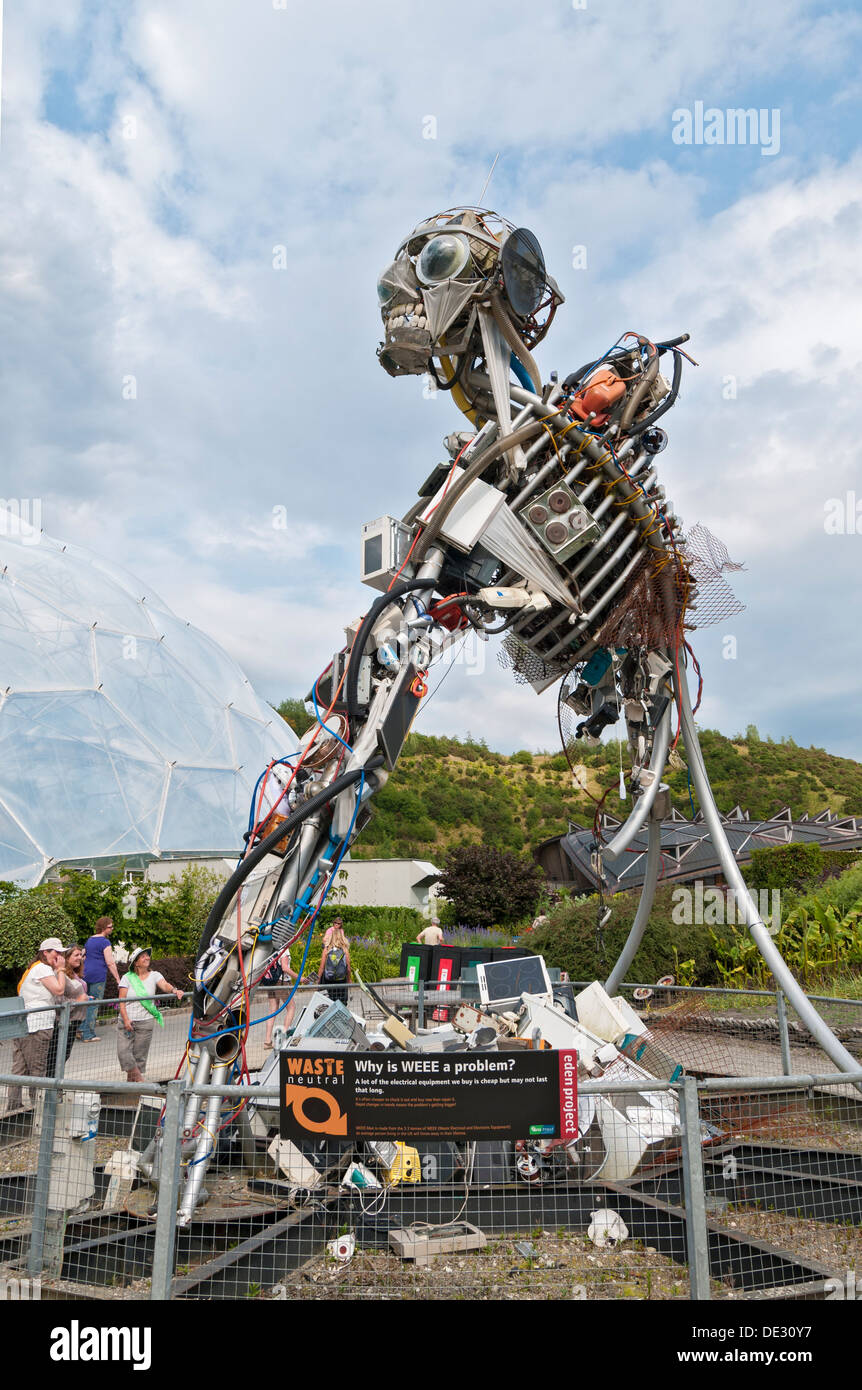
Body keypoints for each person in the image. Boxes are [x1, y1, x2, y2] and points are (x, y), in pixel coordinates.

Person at [6, 938, 69, 1111]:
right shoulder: (42, 968)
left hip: (25, 1024)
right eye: (56, 952)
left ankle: (13, 1107)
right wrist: (61, 969)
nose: (59, 955)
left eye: (61, 952)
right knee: (38, 1069)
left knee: (19, 1069)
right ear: (45, 953)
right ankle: (40, 1109)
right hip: (38, 1026)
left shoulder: (33, 968)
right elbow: (59, 990)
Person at [117, 947, 183, 1083]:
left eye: (147, 956)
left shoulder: (155, 975)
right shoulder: (127, 978)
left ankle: (132, 1090)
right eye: (143, 957)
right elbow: (121, 1002)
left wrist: (174, 990)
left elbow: (164, 985)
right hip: (127, 1021)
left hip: (145, 1022)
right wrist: (125, 1019)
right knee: (124, 1053)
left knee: (139, 1057)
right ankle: (140, 1081)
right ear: (136, 963)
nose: (147, 958)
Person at [45, 944, 91, 1075]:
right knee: (56, 1058)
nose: (80, 958)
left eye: (80, 955)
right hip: (64, 1022)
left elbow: (75, 994)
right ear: (66, 957)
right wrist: (77, 1002)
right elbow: (58, 1001)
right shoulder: (60, 975)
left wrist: (86, 998)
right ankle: (51, 1089)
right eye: (76, 955)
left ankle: (56, 1086)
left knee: (64, 1056)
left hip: (74, 1022)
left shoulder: (74, 975)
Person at [80, 916, 122, 1043]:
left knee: (84, 1003)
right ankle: (88, 1034)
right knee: (93, 1004)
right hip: (98, 975)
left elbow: (83, 955)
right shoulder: (105, 942)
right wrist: (118, 979)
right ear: (104, 928)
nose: (112, 929)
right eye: (110, 927)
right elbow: (110, 962)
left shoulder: (90, 940)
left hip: (85, 974)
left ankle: (80, 1029)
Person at [262, 947, 298, 1049]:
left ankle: (267, 1041)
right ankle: (284, 1037)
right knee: (291, 1007)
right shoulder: (284, 949)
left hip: (271, 982)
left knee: (273, 1009)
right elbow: (285, 968)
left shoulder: (272, 948)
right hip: (281, 982)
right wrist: (299, 977)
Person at [319, 922, 351, 1005]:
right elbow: (348, 968)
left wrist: (318, 981)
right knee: (342, 1003)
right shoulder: (345, 950)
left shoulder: (327, 949)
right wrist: (349, 980)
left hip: (329, 979)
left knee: (331, 1002)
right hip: (342, 980)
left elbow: (321, 968)